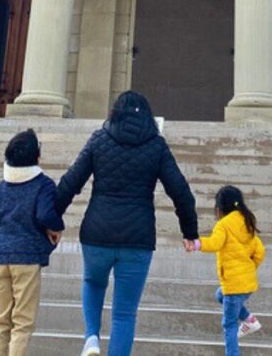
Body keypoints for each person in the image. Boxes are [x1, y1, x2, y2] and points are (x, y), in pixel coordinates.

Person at [56, 91, 198, 356]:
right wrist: (189, 232)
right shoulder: (156, 146)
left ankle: (91, 339)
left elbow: (70, 182)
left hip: (97, 232)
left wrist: (52, 220)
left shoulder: (100, 139)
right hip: (137, 238)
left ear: (114, 113)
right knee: (124, 313)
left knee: (93, 282)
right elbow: (180, 191)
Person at [0, 129, 64, 356]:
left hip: (1, 257)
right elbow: (46, 215)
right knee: (22, 324)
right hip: (26, 258)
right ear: (36, 157)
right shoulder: (43, 184)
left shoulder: (2, 186)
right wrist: (56, 229)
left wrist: (4, 241)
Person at [187, 185, 266, 356]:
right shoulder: (247, 223)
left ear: (220, 208)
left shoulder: (223, 225)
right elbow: (260, 251)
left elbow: (215, 244)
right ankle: (249, 319)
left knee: (229, 325)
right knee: (219, 294)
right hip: (247, 284)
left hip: (233, 285)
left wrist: (196, 243)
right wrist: (250, 268)